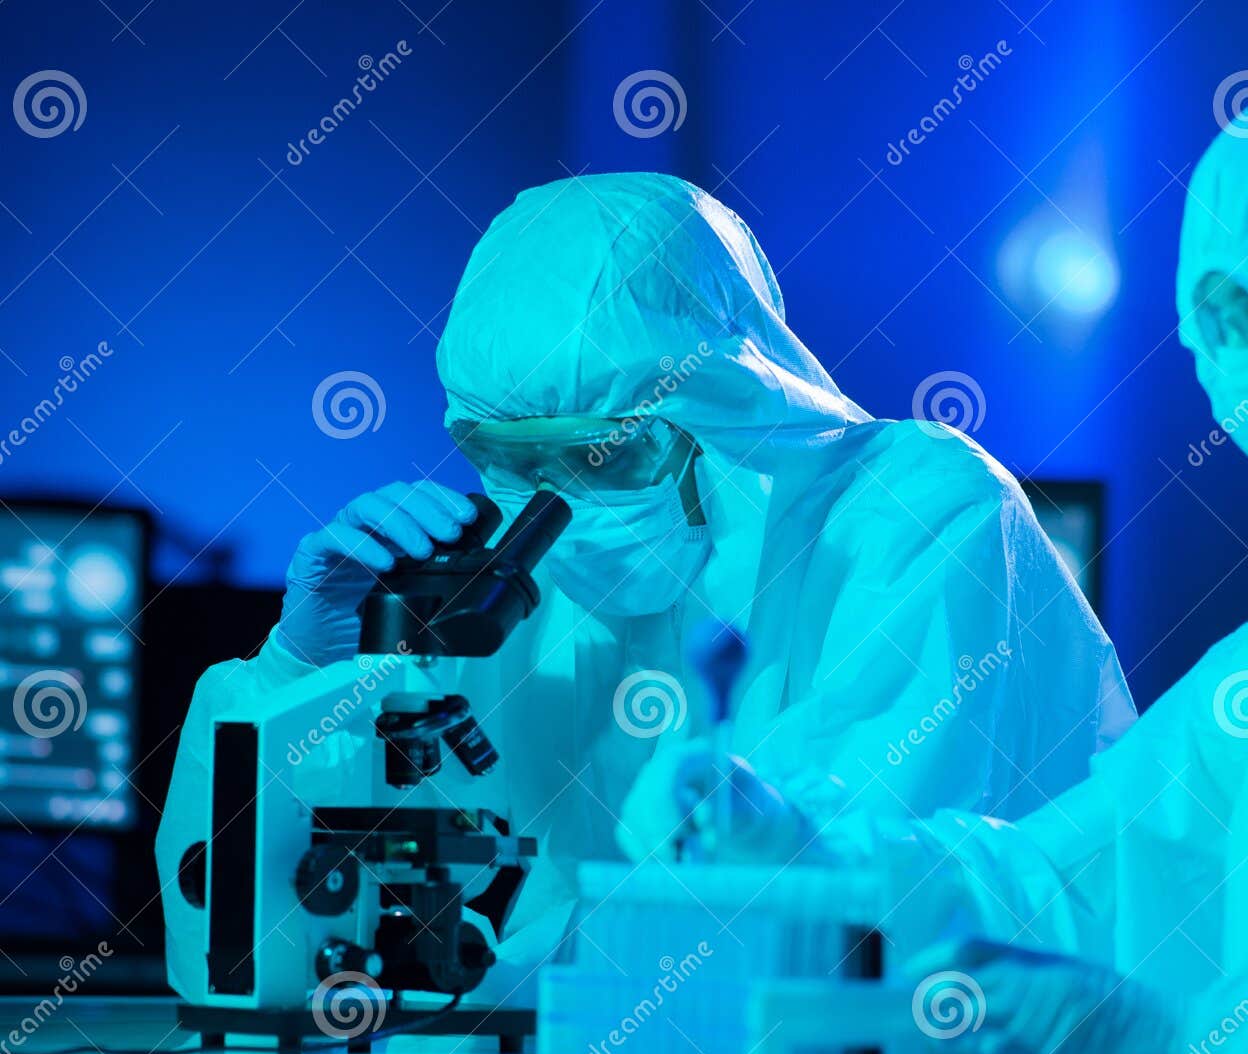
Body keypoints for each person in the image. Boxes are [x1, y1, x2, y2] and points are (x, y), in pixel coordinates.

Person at [631, 53, 1248, 1054]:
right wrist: (798, 847)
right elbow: (1072, 877)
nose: (1228, 370)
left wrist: (1195, 1045)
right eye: (1208, 327)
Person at [154, 172, 1133, 1004]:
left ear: (723, 408)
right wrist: (299, 672)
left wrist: (508, 979)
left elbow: (812, 924)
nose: (550, 505)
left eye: (599, 453)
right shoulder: (535, 577)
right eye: (503, 455)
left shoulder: (922, 517)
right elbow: (247, 951)